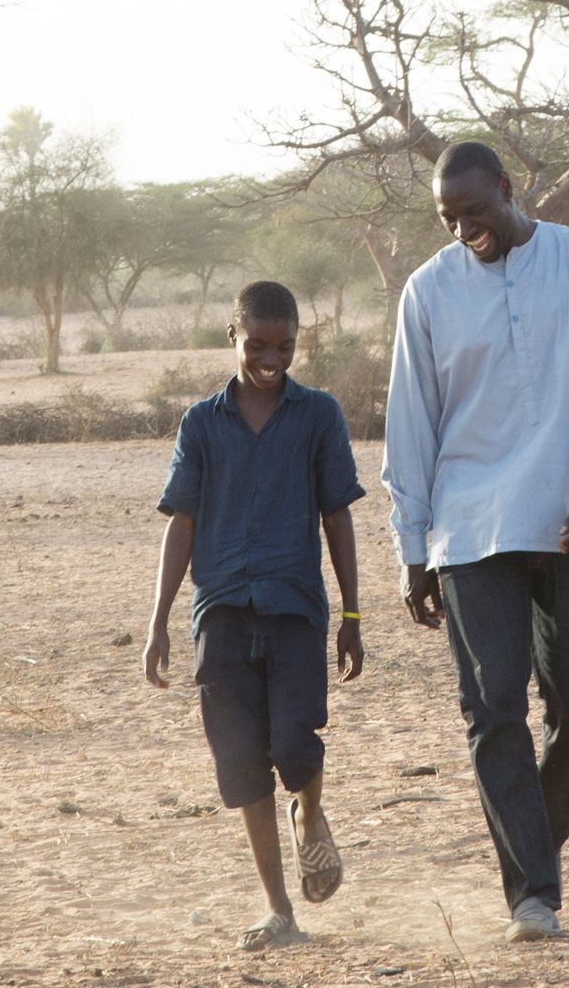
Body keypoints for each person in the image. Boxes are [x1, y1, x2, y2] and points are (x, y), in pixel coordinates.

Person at [382, 141, 569, 943]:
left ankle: (533, 839)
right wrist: (411, 545)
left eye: (476, 210)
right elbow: (411, 423)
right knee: (493, 708)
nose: (466, 229)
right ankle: (533, 891)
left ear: (507, 187)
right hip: (469, 529)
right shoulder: (428, 292)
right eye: (449, 218)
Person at [144, 280, 366, 952]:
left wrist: (352, 612)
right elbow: (181, 523)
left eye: (286, 345)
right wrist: (157, 622)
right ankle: (279, 909)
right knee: (242, 766)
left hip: (295, 608)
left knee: (296, 744)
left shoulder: (319, 416)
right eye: (259, 344)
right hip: (221, 615)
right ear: (232, 336)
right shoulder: (201, 423)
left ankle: (312, 813)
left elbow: (337, 515)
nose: (273, 357)